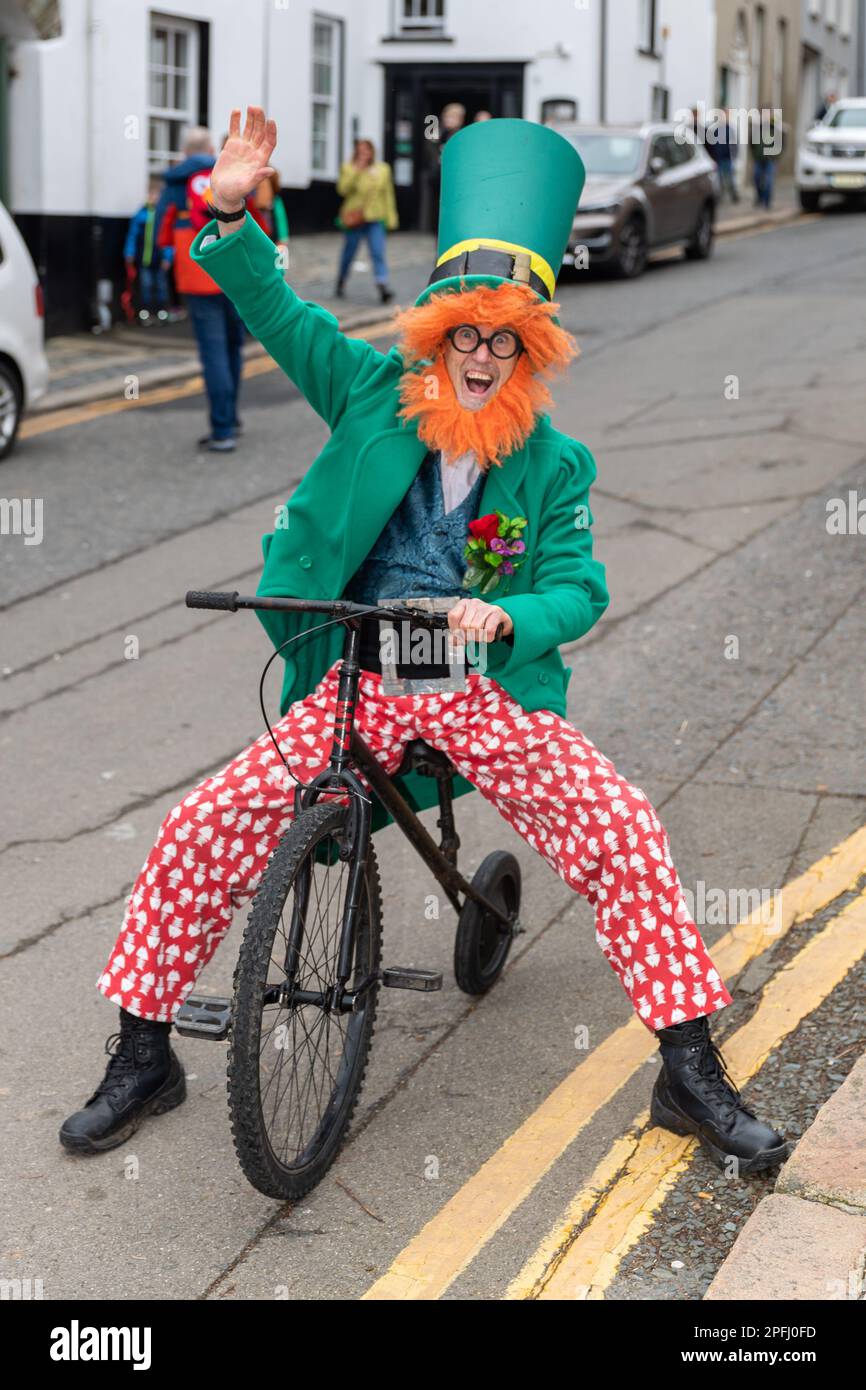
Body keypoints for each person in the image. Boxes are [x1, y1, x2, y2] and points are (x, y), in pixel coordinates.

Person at [60, 106, 789, 1180]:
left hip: (476, 692)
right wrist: (228, 213)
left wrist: (510, 615)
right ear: (435, 335)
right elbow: (278, 308)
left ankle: (686, 1068)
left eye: (506, 341)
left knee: (622, 829)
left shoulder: (553, 462)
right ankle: (142, 1051)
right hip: (355, 674)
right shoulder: (367, 392)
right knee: (195, 827)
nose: (483, 358)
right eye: (465, 334)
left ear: (527, 350)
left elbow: (577, 588)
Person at [155, 126, 266, 452]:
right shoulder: (226, 173)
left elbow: (162, 225)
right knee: (233, 345)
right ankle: (230, 418)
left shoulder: (176, 181)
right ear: (209, 149)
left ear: (186, 152)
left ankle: (222, 430)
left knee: (213, 350)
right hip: (233, 267)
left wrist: (164, 256)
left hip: (197, 271)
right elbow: (256, 217)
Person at [335, 139, 398, 303]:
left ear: (372, 152)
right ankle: (341, 280)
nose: (364, 154)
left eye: (367, 150)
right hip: (354, 218)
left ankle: (382, 285)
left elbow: (388, 194)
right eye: (361, 151)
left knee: (378, 252)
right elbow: (343, 190)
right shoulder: (348, 168)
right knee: (349, 253)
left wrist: (391, 218)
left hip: (375, 218)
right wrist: (357, 171)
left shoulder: (383, 169)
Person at [123, 178, 171, 324]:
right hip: (144, 259)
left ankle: (162, 312)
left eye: (156, 195)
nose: (153, 198)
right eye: (151, 194)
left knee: (161, 285)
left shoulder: (163, 215)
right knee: (146, 286)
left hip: (159, 258)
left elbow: (168, 238)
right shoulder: (140, 214)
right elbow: (132, 235)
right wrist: (129, 252)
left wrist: (168, 257)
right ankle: (146, 313)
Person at [254, 168, 290, 265]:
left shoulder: (276, 202)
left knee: (278, 265)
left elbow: (281, 222)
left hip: (270, 231)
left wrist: (283, 238)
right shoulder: (276, 201)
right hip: (263, 230)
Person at [750, 112, 783, 210]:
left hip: (770, 159)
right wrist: (755, 155)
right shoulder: (757, 128)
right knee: (756, 178)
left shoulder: (774, 128)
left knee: (768, 181)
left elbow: (780, 143)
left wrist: (776, 156)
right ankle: (760, 197)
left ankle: (767, 201)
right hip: (759, 159)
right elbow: (751, 143)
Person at [707, 108, 739, 204]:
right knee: (719, 179)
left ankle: (734, 195)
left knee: (730, 178)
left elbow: (735, 145)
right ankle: (721, 197)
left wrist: (735, 156)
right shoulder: (715, 129)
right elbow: (712, 144)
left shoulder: (730, 129)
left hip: (728, 158)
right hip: (718, 158)